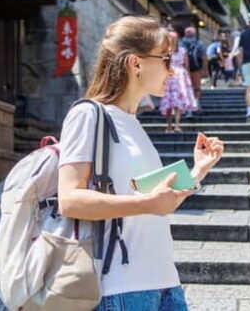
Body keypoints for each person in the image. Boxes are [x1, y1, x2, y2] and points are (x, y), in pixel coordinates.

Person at [57, 16, 224, 311]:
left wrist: (199, 169)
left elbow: (157, 201)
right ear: (136, 63)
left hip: (164, 280)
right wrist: (146, 204)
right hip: (120, 287)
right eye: (165, 59)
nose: (172, 71)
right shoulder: (89, 115)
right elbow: (69, 199)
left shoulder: (132, 122)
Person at [160, 31, 198, 132]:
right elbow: (187, 65)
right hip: (180, 76)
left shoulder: (165, 51)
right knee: (178, 102)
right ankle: (176, 125)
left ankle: (169, 125)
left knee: (169, 102)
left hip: (169, 75)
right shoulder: (182, 50)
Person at [180, 27, 205, 112]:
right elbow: (204, 57)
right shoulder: (199, 43)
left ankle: (187, 105)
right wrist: (205, 69)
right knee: (196, 87)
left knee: (186, 87)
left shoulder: (180, 43)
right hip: (196, 68)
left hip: (183, 70)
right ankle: (196, 103)